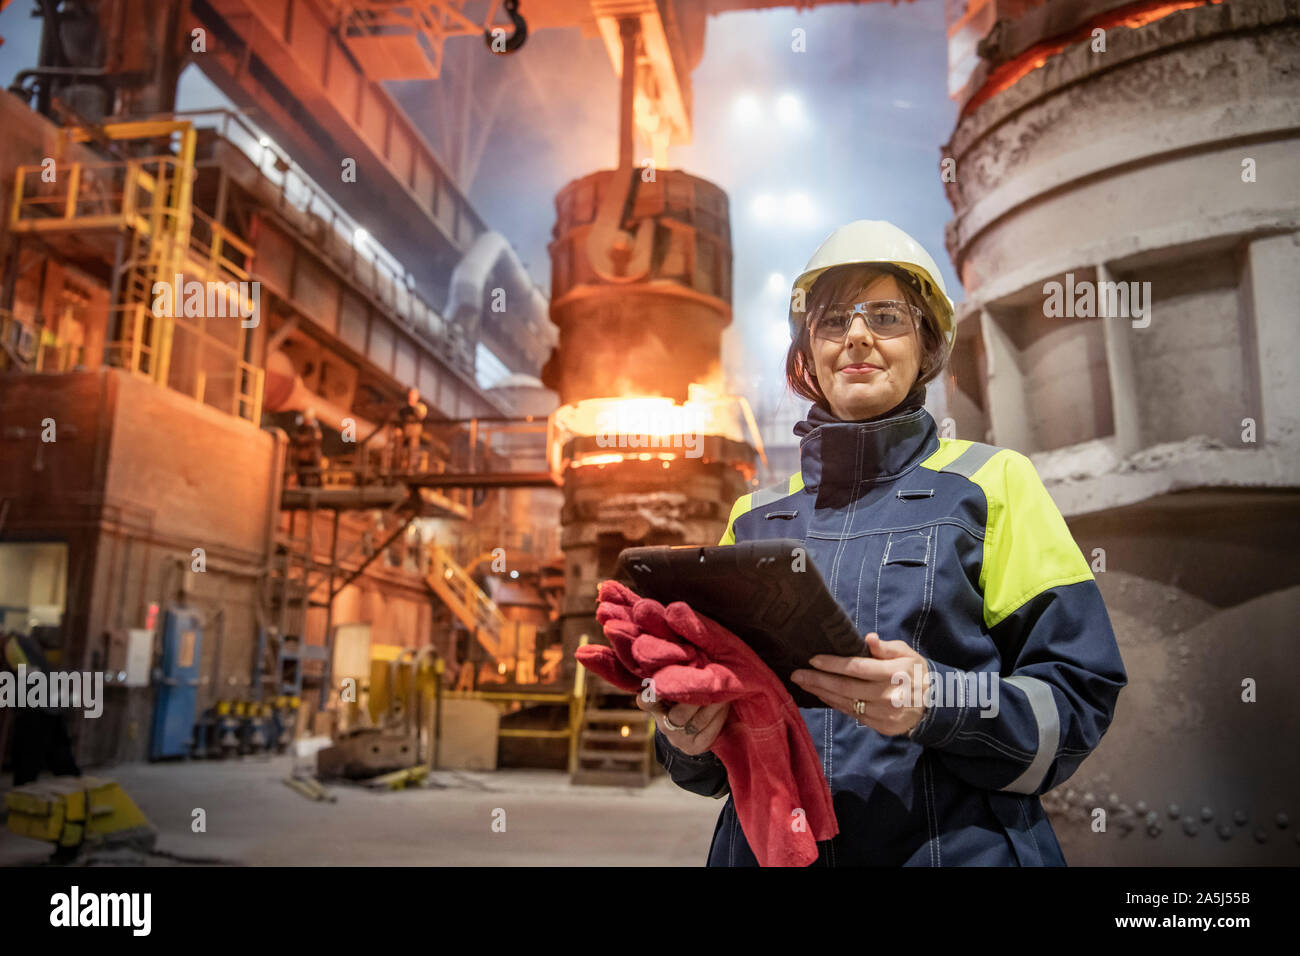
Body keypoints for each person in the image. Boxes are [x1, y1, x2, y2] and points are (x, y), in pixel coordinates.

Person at [638, 220, 1127, 866]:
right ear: (807, 355)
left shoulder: (991, 486)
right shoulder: (752, 521)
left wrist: (939, 702)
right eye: (834, 320)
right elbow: (711, 761)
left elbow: (1076, 698)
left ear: (925, 345)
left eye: (887, 316)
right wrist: (684, 732)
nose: (858, 336)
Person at [3, 629, 81, 786]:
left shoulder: (11, 647)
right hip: (52, 704)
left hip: (36, 708)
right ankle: (81, 792)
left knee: (27, 757)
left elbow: (28, 676)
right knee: (61, 757)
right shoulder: (23, 640)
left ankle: (23, 796)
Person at [396, 388, 427, 473]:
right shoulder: (403, 409)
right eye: (411, 394)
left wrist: (413, 407)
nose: (411, 396)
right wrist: (398, 428)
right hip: (404, 432)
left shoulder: (420, 407)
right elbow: (399, 419)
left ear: (417, 397)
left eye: (414, 395)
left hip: (414, 433)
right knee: (399, 450)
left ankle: (410, 470)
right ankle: (398, 468)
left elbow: (421, 415)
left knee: (412, 451)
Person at [290, 408, 323, 487]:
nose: (307, 421)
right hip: (302, 457)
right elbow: (295, 438)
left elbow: (317, 439)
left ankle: (318, 486)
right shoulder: (300, 428)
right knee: (302, 473)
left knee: (316, 472)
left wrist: (305, 439)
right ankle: (303, 487)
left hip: (311, 457)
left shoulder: (314, 429)